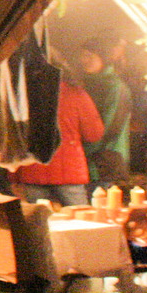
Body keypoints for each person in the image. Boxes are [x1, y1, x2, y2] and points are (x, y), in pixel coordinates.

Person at [12, 52, 105, 207]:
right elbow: (94, 134)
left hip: (32, 172)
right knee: (80, 223)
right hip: (70, 174)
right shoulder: (76, 93)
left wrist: (14, 177)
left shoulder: (20, 96)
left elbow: (13, 138)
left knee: (40, 224)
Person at [77, 40, 134, 187]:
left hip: (107, 160)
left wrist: (83, 151)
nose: (84, 60)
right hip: (87, 162)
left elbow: (111, 128)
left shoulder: (115, 87)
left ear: (103, 57)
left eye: (89, 56)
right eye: (82, 56)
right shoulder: (85, 84)